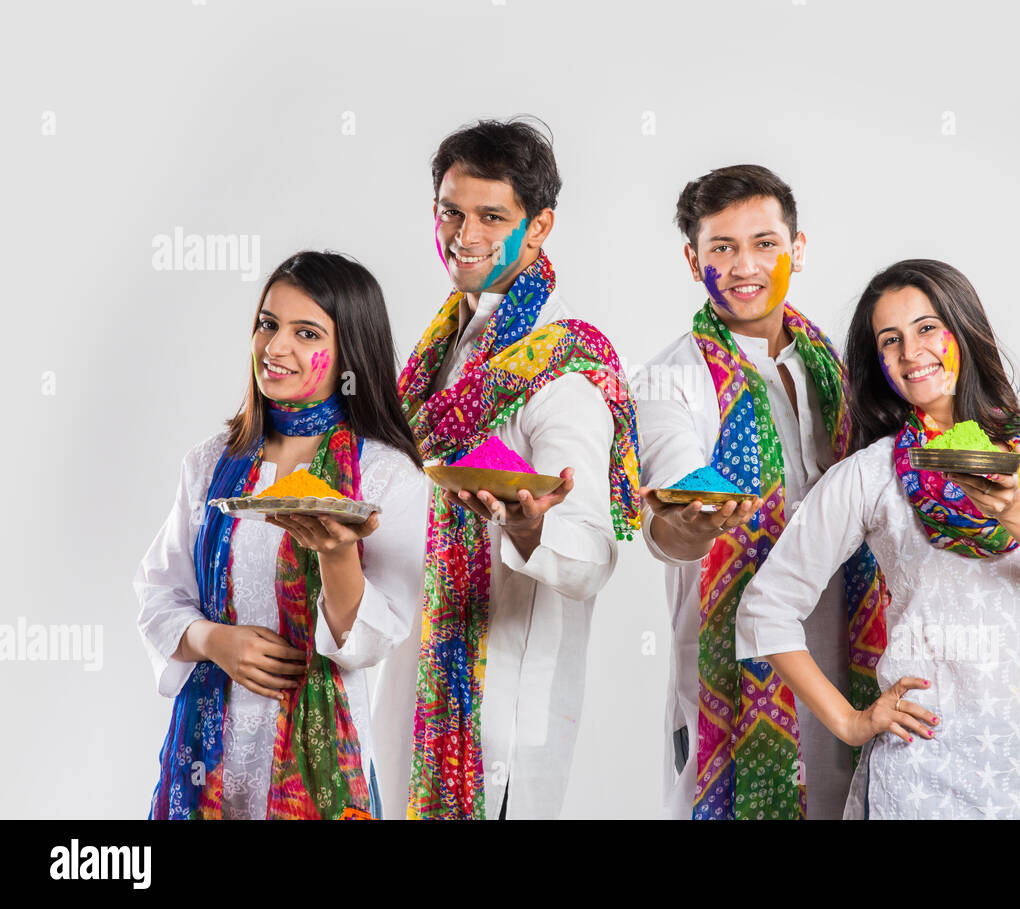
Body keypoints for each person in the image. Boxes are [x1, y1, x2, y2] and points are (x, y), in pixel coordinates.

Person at [735, 258, 1020, 819]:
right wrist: (853, 723)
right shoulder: (871, 474)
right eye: (890, 340)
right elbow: (765, 607)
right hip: (920, 774)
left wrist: (1015, 510)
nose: (911, 353)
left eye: (927, 328)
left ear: (964, 328)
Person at [373, 117, 640, 820]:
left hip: (497, 710)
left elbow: (590, 552)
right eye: (451, 212)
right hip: (414, 681)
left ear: (540, 225)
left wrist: (528, 529)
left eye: (493, 216)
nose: (465, 234)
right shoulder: (442, 348)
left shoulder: (561, 365)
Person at [135, 251, 429, 819]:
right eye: (268, 324)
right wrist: (211, 642)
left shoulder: (384, 475)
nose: (275, 347)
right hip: (213, 745)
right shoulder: (210, 463)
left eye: (306, 332)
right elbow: (157, 593)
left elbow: (371, 642)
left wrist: (339, 550)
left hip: (317, 756)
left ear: (350, 353)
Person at [634, 164, 887, 819]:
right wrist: (695, 519)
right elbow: (672, 509)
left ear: (796, 250)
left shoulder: (843, 370)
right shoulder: (671, 379)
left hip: (849, 669)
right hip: (730, 681)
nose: (745, 264)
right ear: (694, 261)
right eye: (722, 247)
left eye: (764, 242)